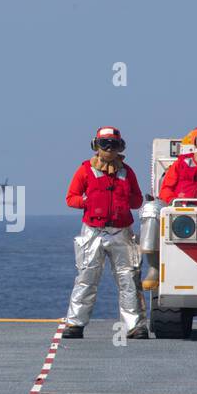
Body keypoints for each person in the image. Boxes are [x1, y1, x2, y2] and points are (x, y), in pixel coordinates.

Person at [62, 126, 148, 339]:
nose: (109, 149)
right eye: (105, 144)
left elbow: (137, 200)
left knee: (129, 279)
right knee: (86, 277)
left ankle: (135, 326)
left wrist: (125, 199)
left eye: (114, 144)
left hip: (121, 232)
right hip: (93, 232)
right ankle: (75, 324)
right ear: (96, 146)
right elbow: (71, 198)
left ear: (120, 147)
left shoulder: (127, 172)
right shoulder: (85, 170)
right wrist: (88, 201)